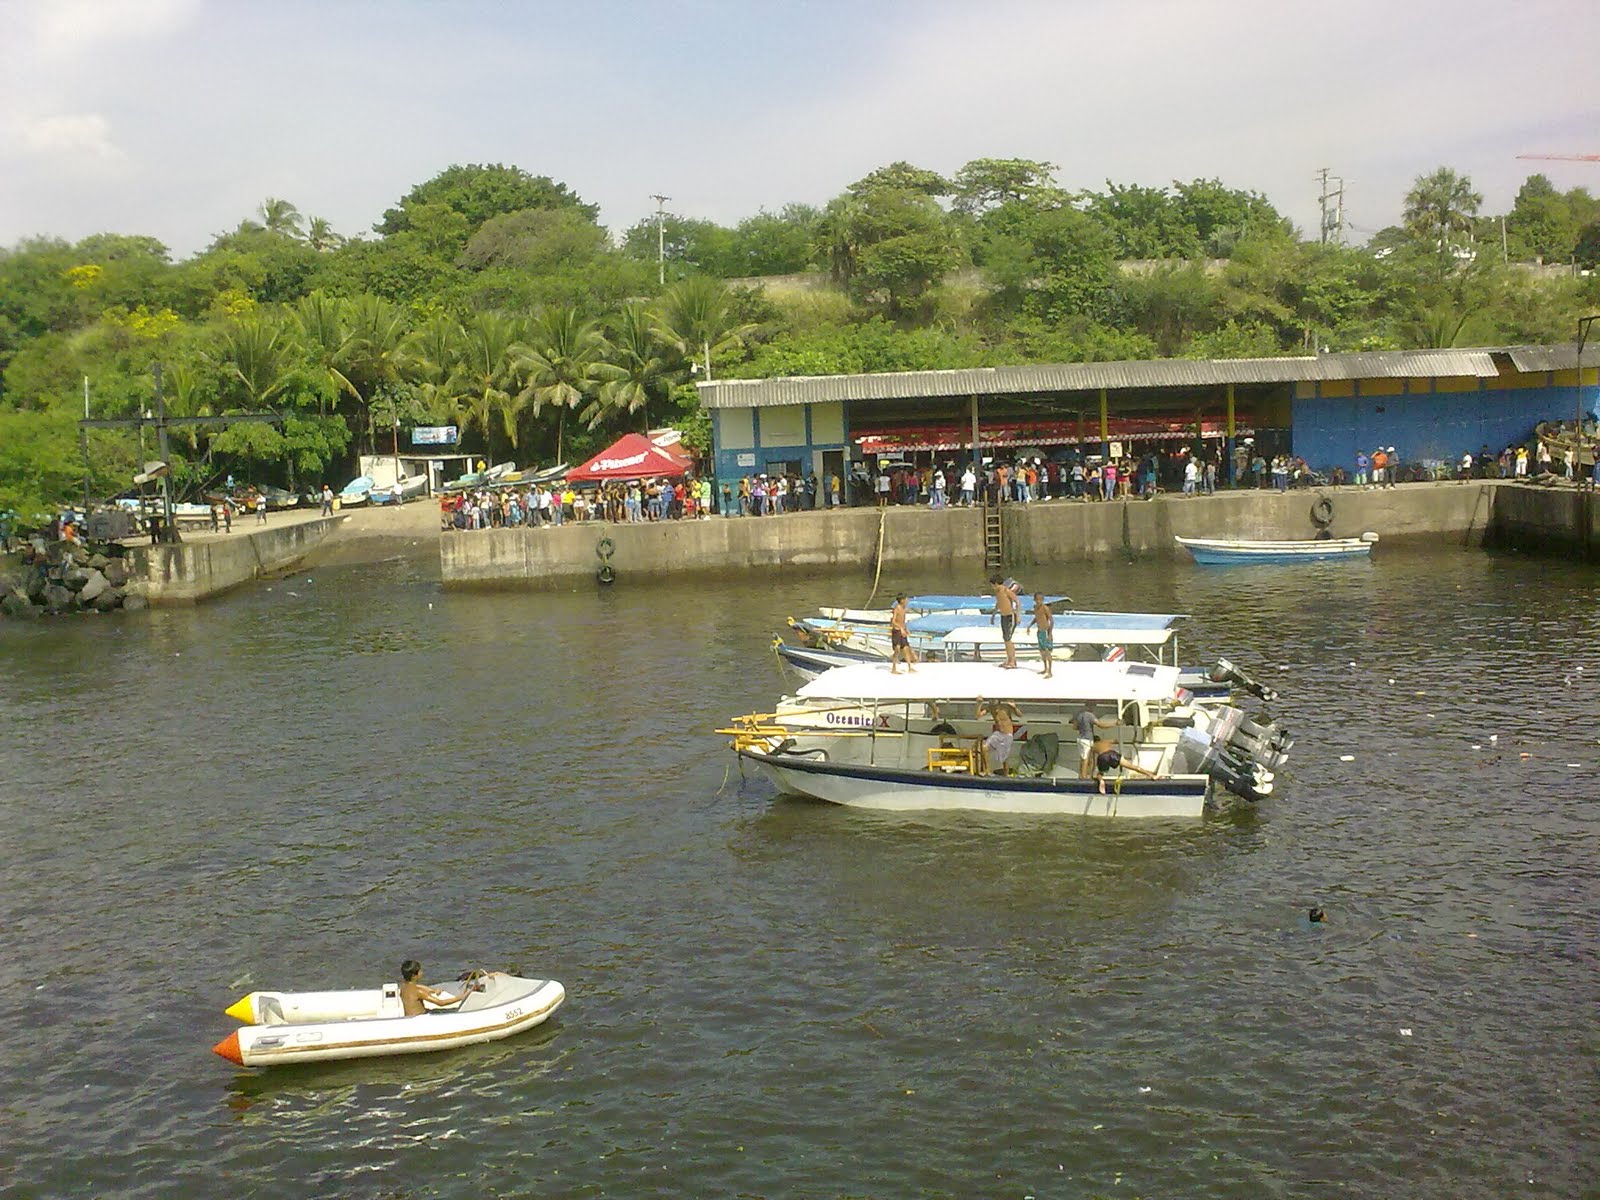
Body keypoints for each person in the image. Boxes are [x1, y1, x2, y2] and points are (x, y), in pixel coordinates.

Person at [398, 960, 476, 1016]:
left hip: (409, 1017)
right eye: (420, 971)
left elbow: (418, 987)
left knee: (438, 1011)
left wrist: (432, 990)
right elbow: (440, 1003)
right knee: (451, 1012)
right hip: (421, 1017)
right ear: (414, 976)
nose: (422, 972)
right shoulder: (419, 991)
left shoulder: (403, 986)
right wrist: (460, 997)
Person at [1092, 733, 1158, 793]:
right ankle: (1152, 775)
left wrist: (1092, 772)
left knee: (1100, 774)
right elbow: (1115, 740)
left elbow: (1093, 760)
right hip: (1112, 754)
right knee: (1133, 767)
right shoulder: (1105, 741)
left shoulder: (1093, 746)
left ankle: (1101, 781)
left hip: (1102, 757)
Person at [976, 695, 1021, 775]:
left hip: (1007, 734)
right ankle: (988, 770)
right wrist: (979, 704)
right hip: (998, 733)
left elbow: (1020, 715)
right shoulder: (990, 708)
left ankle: (1006, 774)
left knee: (1004, 758)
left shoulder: (1006, 707)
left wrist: (1014, 707)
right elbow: (978, 716)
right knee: (984, 748)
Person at [1074, 706, 1117, 778]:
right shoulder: (1090, 715)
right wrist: (1114, 723)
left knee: (1083, 758)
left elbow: (1074, 727)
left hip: (1080, 738)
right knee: (1086, 759)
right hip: (1087, 739)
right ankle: (1084, 778)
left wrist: (1083, 727)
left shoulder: (1079, 715)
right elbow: (1100, 725)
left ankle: (1082, 776)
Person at [989, 572, 1019, 669]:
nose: (993, 587)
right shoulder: (997, 592)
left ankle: (1012, 661)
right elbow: (999, 603)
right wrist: (993, 615)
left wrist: (1018, 616)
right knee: (1005, 638)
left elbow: (1017, 602)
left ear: (996, 584)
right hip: (1003, 616)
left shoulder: (1006, 591)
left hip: (1010, 616)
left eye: (993, 585)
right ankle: (1008, 659)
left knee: (1008, 639)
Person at [1026, 593, 1055, 678]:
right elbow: (1037, 617)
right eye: (1037, 599)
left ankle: (1050, 671)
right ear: (1034, 600)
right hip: (1040, 631)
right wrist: (1030, 625)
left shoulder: (1045, 608)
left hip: (1046, 631)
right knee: (1042, 651)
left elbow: (1051, 620)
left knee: (1047, 651)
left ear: (1042, 600)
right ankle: (1045, 668)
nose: (1038, 601)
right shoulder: (1035, 608)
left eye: (1040, 599)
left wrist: (1049, 634)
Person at [888, 593, 917, 674]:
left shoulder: (904, 608)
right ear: (902, 600)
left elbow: (902, 621)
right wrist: (901, 628)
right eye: (906, 599)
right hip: (897, 631)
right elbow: (893, 621)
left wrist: (906, 629)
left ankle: (910, 667)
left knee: (906, 648)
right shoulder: (897, 608)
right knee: (897, 649)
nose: (907, 601)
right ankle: (893, 668)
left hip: (902, 630)